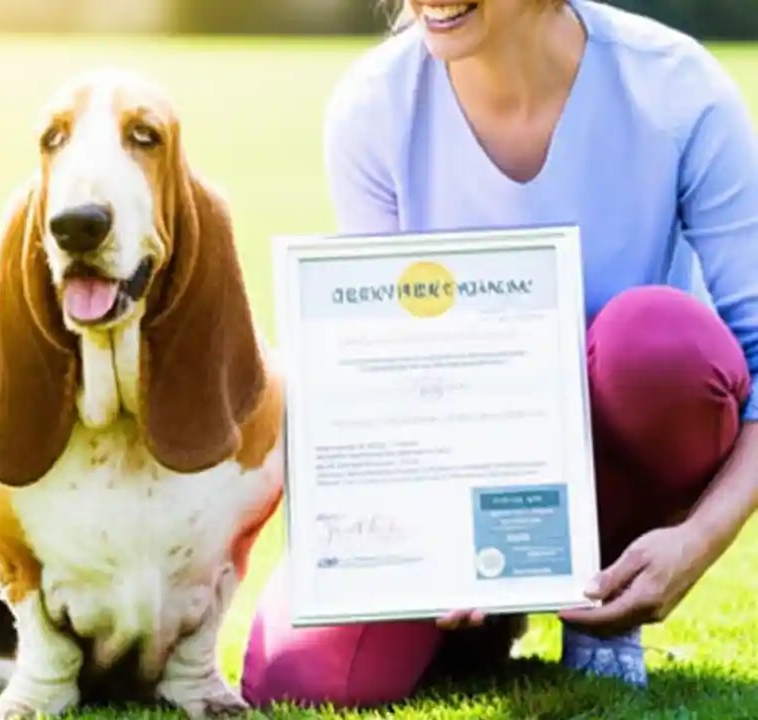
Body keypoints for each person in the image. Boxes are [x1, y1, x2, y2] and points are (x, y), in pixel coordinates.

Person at [240, 0, 758, 710]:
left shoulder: (676, 90)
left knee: (657, 341)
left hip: (631, 453)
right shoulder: (372, 108)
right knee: (297, 679)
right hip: (452, 476)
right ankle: (480, 623)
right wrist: (435, 542)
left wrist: (694, 542)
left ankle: (605, 606)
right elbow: (381, 373)